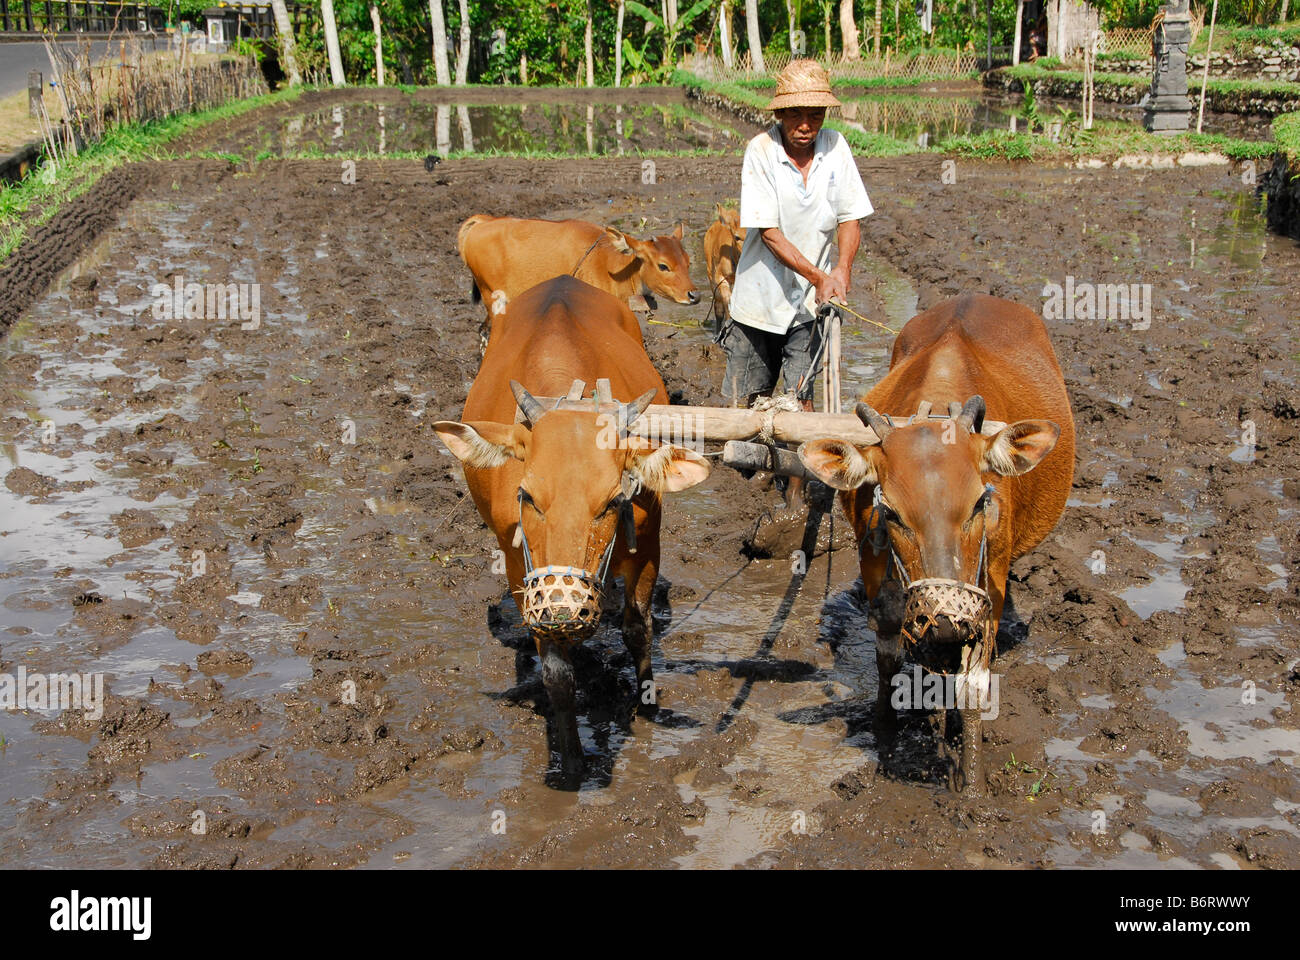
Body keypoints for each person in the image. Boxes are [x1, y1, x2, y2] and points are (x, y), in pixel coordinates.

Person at [721, 59, 873, 420]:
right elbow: (770, 235)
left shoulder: (836, 147)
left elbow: (850, 218)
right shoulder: (761, 151)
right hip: (758, 301)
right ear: (780, 113)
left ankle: (797, 477)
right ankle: (753, 470)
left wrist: (842, 270)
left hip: (808, 305)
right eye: (794, 115)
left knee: (801, 398)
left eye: (814, 115)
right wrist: (820, 277)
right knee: (751, 404)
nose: (805, 126)